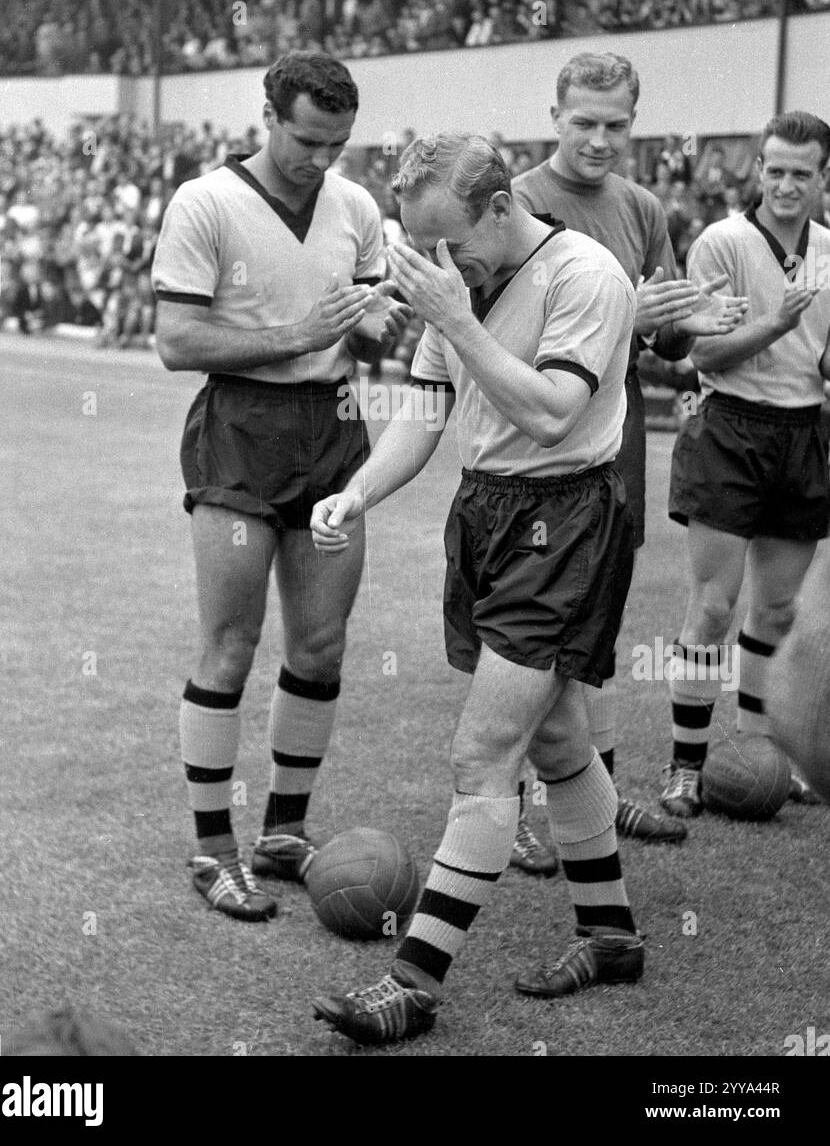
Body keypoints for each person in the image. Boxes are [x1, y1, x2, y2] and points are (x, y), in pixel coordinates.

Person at [310, 133, 644, 1047]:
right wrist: (358, 489)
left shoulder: (587, 277)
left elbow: (547, 414)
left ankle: (412, 983)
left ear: (501, 206)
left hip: (566, 518)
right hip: (486, 515)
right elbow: (424, 411)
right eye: (419, 245)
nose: (434, 263)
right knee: (562, 736)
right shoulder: (455, 282)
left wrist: (454, 315)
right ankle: (611, 935)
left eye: (447, 242)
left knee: (484, 753)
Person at [152, 51, 410, 921]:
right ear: (268, 115)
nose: (321, 159)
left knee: (322, 647)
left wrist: (383, 328)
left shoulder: (357, 207)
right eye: (306, 140)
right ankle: (212, 848)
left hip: (334, 430)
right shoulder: (205, 202)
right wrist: (297, 333)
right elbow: (177, 341)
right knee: (230, 642)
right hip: (240, 431)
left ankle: (283, 833)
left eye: (336, 143)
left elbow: (367, 330)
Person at [511, 52, 747, 861]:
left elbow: (668, 342)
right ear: (555, 117)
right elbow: (510, 342)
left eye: (616, 124)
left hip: (617, 441)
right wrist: (627, 314)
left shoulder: (642, 206)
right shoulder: (518, 202)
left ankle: (597, 806)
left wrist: (692, 320)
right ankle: (515, 814)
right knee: (530, 626)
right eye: (584, 122)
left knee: (598, 619)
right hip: (537, 452)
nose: (600, 139)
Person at [660, 111, 830, 818]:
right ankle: (685, 767)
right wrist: (777, 323)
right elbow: (703, 356)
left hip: (803, 433)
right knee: (715, 605)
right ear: (758, 171)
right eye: (776, 170)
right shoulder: (722, 242)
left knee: (780, 608)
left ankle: (758, 756)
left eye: (802, 172)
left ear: (825, 178)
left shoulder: (829, 249)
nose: (786, 185)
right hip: (728, 427)